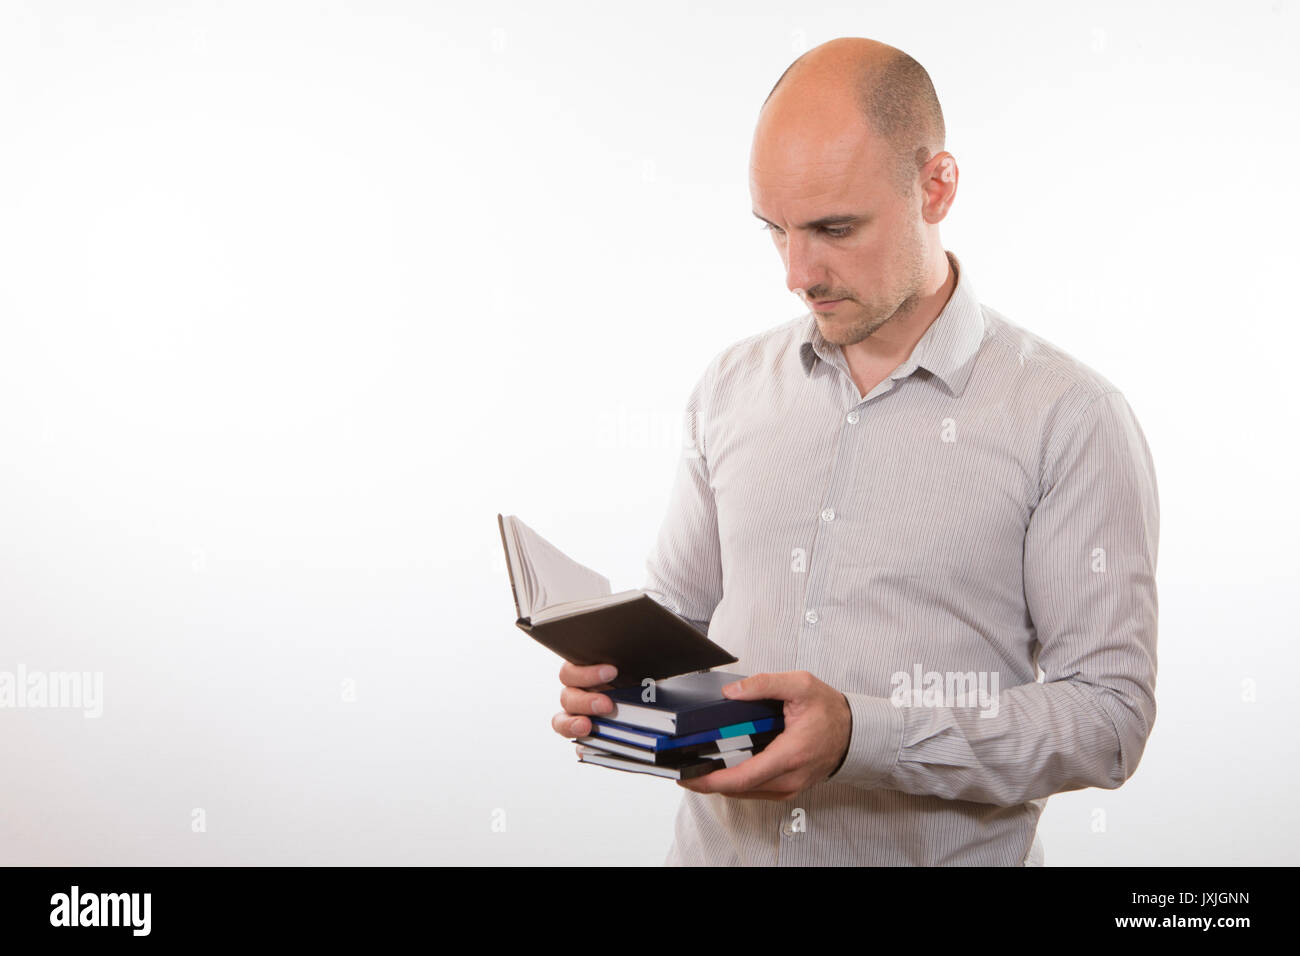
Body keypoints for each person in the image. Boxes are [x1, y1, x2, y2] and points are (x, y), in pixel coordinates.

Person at [551, 36, 1159, 866]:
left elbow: (1110, 721)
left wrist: (861, 735)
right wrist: (625, 685)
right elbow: (684, 624)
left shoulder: (1071, 418)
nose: (798, 273)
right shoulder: (730, 385)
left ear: (936, 187)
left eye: (835, 228)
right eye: (777, 230)